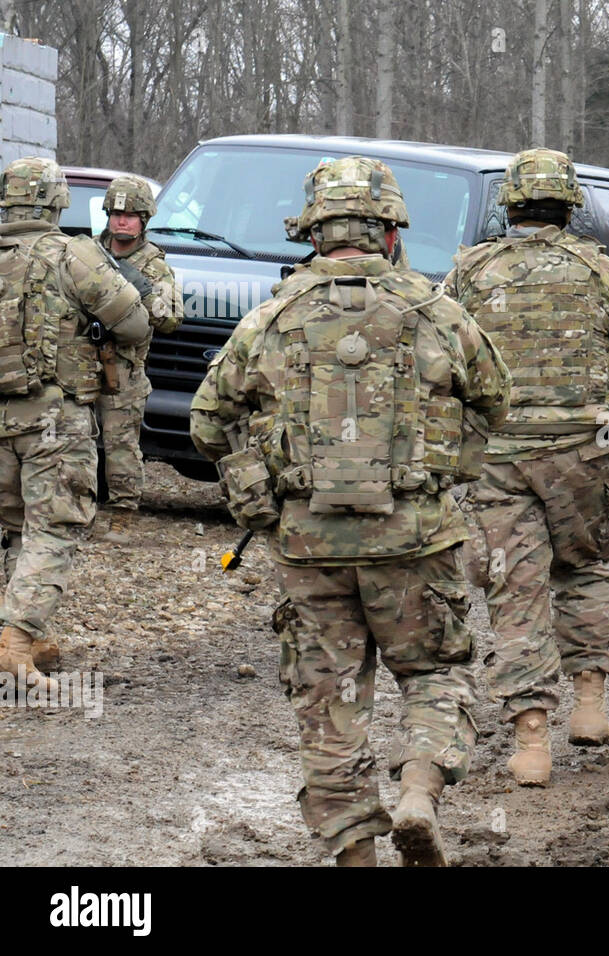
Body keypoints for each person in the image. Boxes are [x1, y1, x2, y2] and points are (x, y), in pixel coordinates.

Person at [191, 156, 511, 866]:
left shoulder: (271, 318)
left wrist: (261, 499)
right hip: (416, 541)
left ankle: (355, 856)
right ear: (391, 232)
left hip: (310, 549)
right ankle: (421, 789)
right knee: (434, 673)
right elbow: (494, 397)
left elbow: (209, 421)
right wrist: (449, 468)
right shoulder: (437, 311)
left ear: (312, 233)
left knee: (329, 699)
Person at [447, 147, 609, 787]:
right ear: (570, 206)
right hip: (582, 452)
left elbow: (442, 357)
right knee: (587, 566)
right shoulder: (600, 271)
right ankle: (589, 701)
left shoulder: (470, 273)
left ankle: (531, 739)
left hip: (498, 457)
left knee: (515, 591)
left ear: (508, 205)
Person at [0, 156, 150, 691]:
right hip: (52, 420)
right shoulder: (72, 255)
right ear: (57, 201)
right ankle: (15, 643)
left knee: (16, 528)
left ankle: (24, 637)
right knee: (52, 527)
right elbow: (133, 322)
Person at [97, 175, 183, 510]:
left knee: (121, 449)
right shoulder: (88, 253)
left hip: (124, 370)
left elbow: (171, 319)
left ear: (143, 219)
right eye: (116, 213)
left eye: (130, 215)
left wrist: (142, 288)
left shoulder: (154, 265)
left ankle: (122, 516)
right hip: (78, 365)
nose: (121, 220)